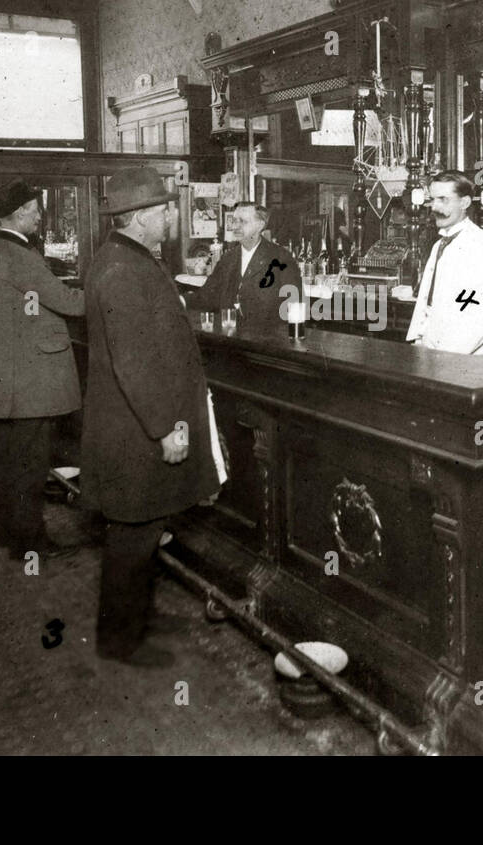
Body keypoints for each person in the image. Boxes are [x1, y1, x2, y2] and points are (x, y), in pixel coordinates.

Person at [82, 166, 223, 668]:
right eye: (164, 208)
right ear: (140, 218)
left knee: (144, 526)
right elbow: (134, 362)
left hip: (130, 424)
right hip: (137, 429)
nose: (171, 215)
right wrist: (166, 427)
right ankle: (121, 640)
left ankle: (137, 617)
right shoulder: (125, 271)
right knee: (133, 533)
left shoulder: (128, 259)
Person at [0, 180, 85, 558]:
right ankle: (31, 543)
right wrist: (108, 291)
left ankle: (8, 534)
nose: (39, 216)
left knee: (5, 461)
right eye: (35, 210)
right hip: (32, 376)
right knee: (30, 465)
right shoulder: (19, 254)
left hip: (6, 373)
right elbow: (66, 302)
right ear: (18, 213)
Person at [406, 170, 483, 355]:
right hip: (430, 354)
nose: (434, 207)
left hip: (463, 360)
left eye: (443, 199)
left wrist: (444, 360)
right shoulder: (439, 244)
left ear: (465, 202)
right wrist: (418, 341)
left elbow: (476, 318)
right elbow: (425, 303)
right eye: (432, 199)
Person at [183, 202, 300, 337]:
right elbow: (207, 295)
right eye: (234, 221)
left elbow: (293, 305)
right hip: (232, 339)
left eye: (243, 221)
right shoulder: (228, 258)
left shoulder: (280, 258)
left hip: (267, 342)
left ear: (260, 226)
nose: (235, 226)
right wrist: (182, 300)